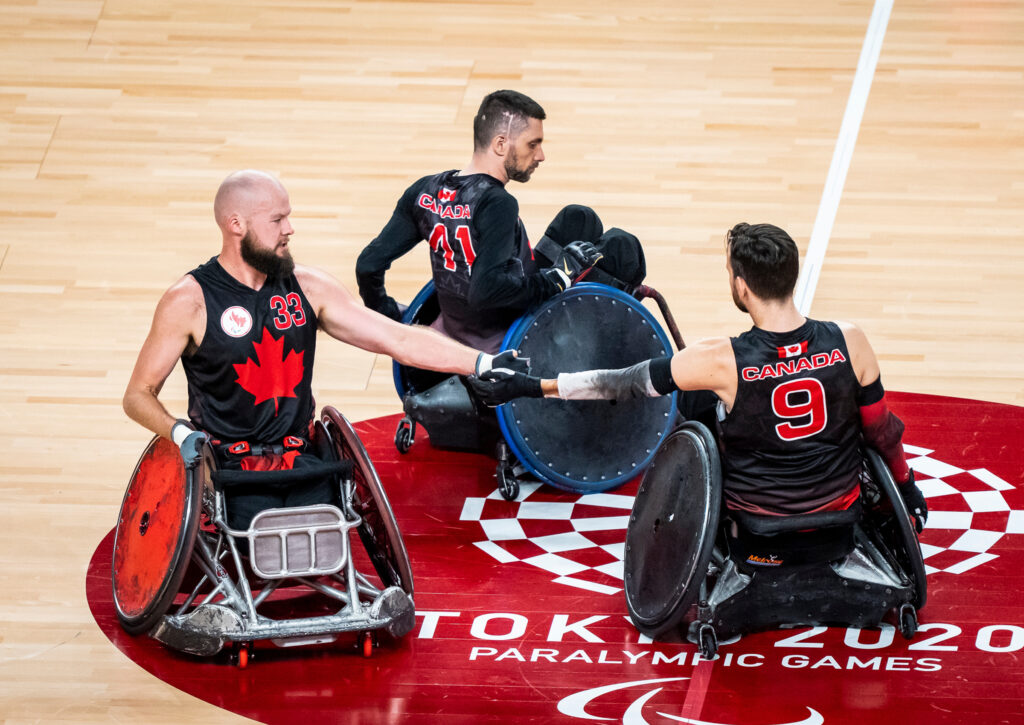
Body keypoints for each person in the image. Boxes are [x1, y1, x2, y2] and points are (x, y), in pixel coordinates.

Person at [123, 170, 522, 529]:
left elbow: (397, 338)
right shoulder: (189, 301)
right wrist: (178, 433)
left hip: (302, 459)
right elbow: (137, 396)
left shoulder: (308, 288)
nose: (290, 229)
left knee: (323, 533)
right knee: (258, 537)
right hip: (230, 466)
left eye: (288, 216)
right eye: (277, 220)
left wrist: (481, 362)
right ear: (236, 225)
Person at [470, 222, 928, 528]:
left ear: (742, 286)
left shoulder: (719, 360)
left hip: (756, 519)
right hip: (838, 511)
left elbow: (619, 382)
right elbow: (882, 433)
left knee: (691, 402)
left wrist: (531, 386)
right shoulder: (852, 340)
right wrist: (904, 483)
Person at [355, 89, 645, 353]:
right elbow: (487, 291)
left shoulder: (425, 190)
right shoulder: (497, 204)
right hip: (513, 337)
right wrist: (557, 277)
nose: (541, 155)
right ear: (501, 144)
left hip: (457, 323)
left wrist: (393, 319)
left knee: (578, 218)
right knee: (622, 248)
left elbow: (368, 265)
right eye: (533, 145)